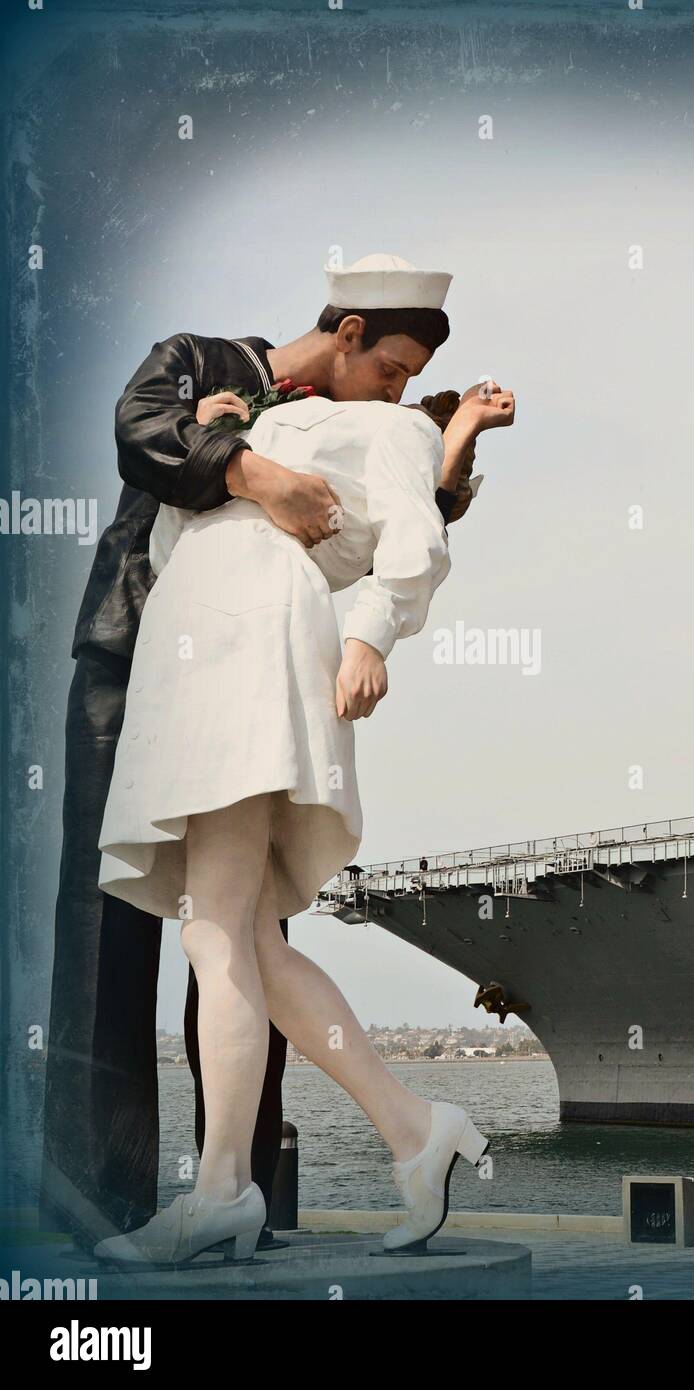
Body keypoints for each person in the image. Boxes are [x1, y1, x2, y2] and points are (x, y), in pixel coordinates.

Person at [40, 254, 462, 1253]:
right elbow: (150, 447)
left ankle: (232, 1184)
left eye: (409, 380)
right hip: (174, 660)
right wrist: (237, 454)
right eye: (391, 365)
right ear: (349, 334)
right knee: (230, 935)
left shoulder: (389, 425)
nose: (396, 389)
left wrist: (369, 635)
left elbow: (409, 530)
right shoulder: (221, 383)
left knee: (221, 930)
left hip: (244, 655)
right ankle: (400, 1133)